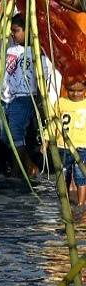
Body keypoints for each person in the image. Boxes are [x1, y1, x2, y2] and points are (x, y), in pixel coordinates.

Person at [0, 15, 54, 177]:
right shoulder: (11, 49)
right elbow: (5, 75)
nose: (13, 34)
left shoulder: (38, 52)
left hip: (24, 96)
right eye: (12, 31)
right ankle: (25, 167)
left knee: (16, 135)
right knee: (6, 137)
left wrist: (41, 101)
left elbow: (44, 76)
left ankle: (22, 170)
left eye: (16, 31)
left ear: (27, 31)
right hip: (7, 97)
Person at [53, 79, 86, 214]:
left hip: (82, 146)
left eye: (80, 91)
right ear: (66, 88)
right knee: (63, 174)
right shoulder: (61, 103)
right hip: (63, 146)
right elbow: (53, 122)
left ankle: (81, 203)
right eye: (72, 90)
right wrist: (47, 139)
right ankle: (64, 202)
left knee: (80, 176)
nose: (75, 94)